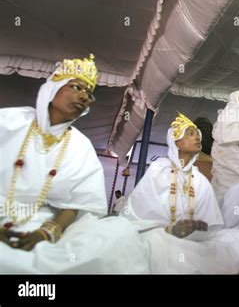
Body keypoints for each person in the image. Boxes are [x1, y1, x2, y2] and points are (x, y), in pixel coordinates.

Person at [0, 55, 149, 273]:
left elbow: (76, 204)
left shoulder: (81, 146)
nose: (83, 97)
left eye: (89, 94)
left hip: (44, 221)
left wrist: (47, 233)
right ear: (53, 88)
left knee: (120, 232)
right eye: (77, 87)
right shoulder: (8, 122)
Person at [121, 113, 239, 273]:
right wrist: (171, 230)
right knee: (154, 246)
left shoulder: (200, 180)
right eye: (190, 134)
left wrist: (198, 229)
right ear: (176, 141)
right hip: (158, 238)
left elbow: (209, 227)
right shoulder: (159, 169)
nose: (197, 138)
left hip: (191, 243)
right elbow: (139, 219)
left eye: (197, 134)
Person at [211, 91, 239, 205]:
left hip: (226, 151)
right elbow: (229, 138)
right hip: (227, 150)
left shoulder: (231, 111)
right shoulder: (234, 110)